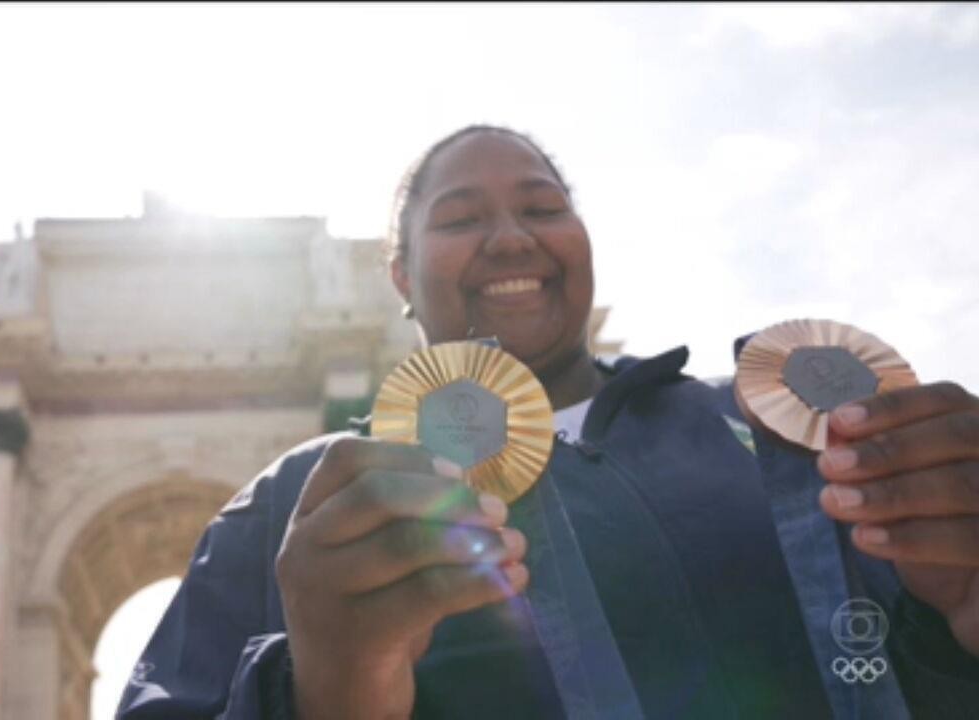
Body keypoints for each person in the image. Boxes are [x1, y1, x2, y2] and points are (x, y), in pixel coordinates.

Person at [117, 125, 979, 719]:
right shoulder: (288, 504)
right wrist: (316, 698)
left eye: (542, 208)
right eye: (459, 218)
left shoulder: (782, 431)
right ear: (399, 278)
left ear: (584, 240)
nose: (510, 238)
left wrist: (965, 622)